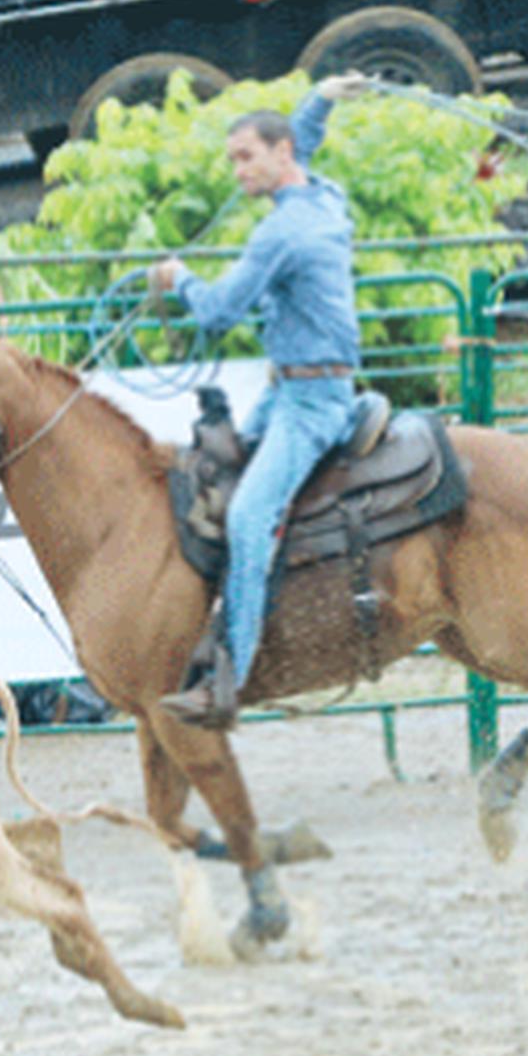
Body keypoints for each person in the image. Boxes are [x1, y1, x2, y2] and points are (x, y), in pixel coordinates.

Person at [147, 71, 371, 730]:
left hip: (311, 404)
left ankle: (229, 682)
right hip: (298, 389)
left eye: (246, 157)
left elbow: (218, 310)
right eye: (233, 158)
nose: (237, 170)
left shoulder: (280, 235)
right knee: (215, 482)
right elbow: (303, 140)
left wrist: (177, 276)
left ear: (279, 158)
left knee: (247, 518)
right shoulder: (321, 195)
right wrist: (322, 97)